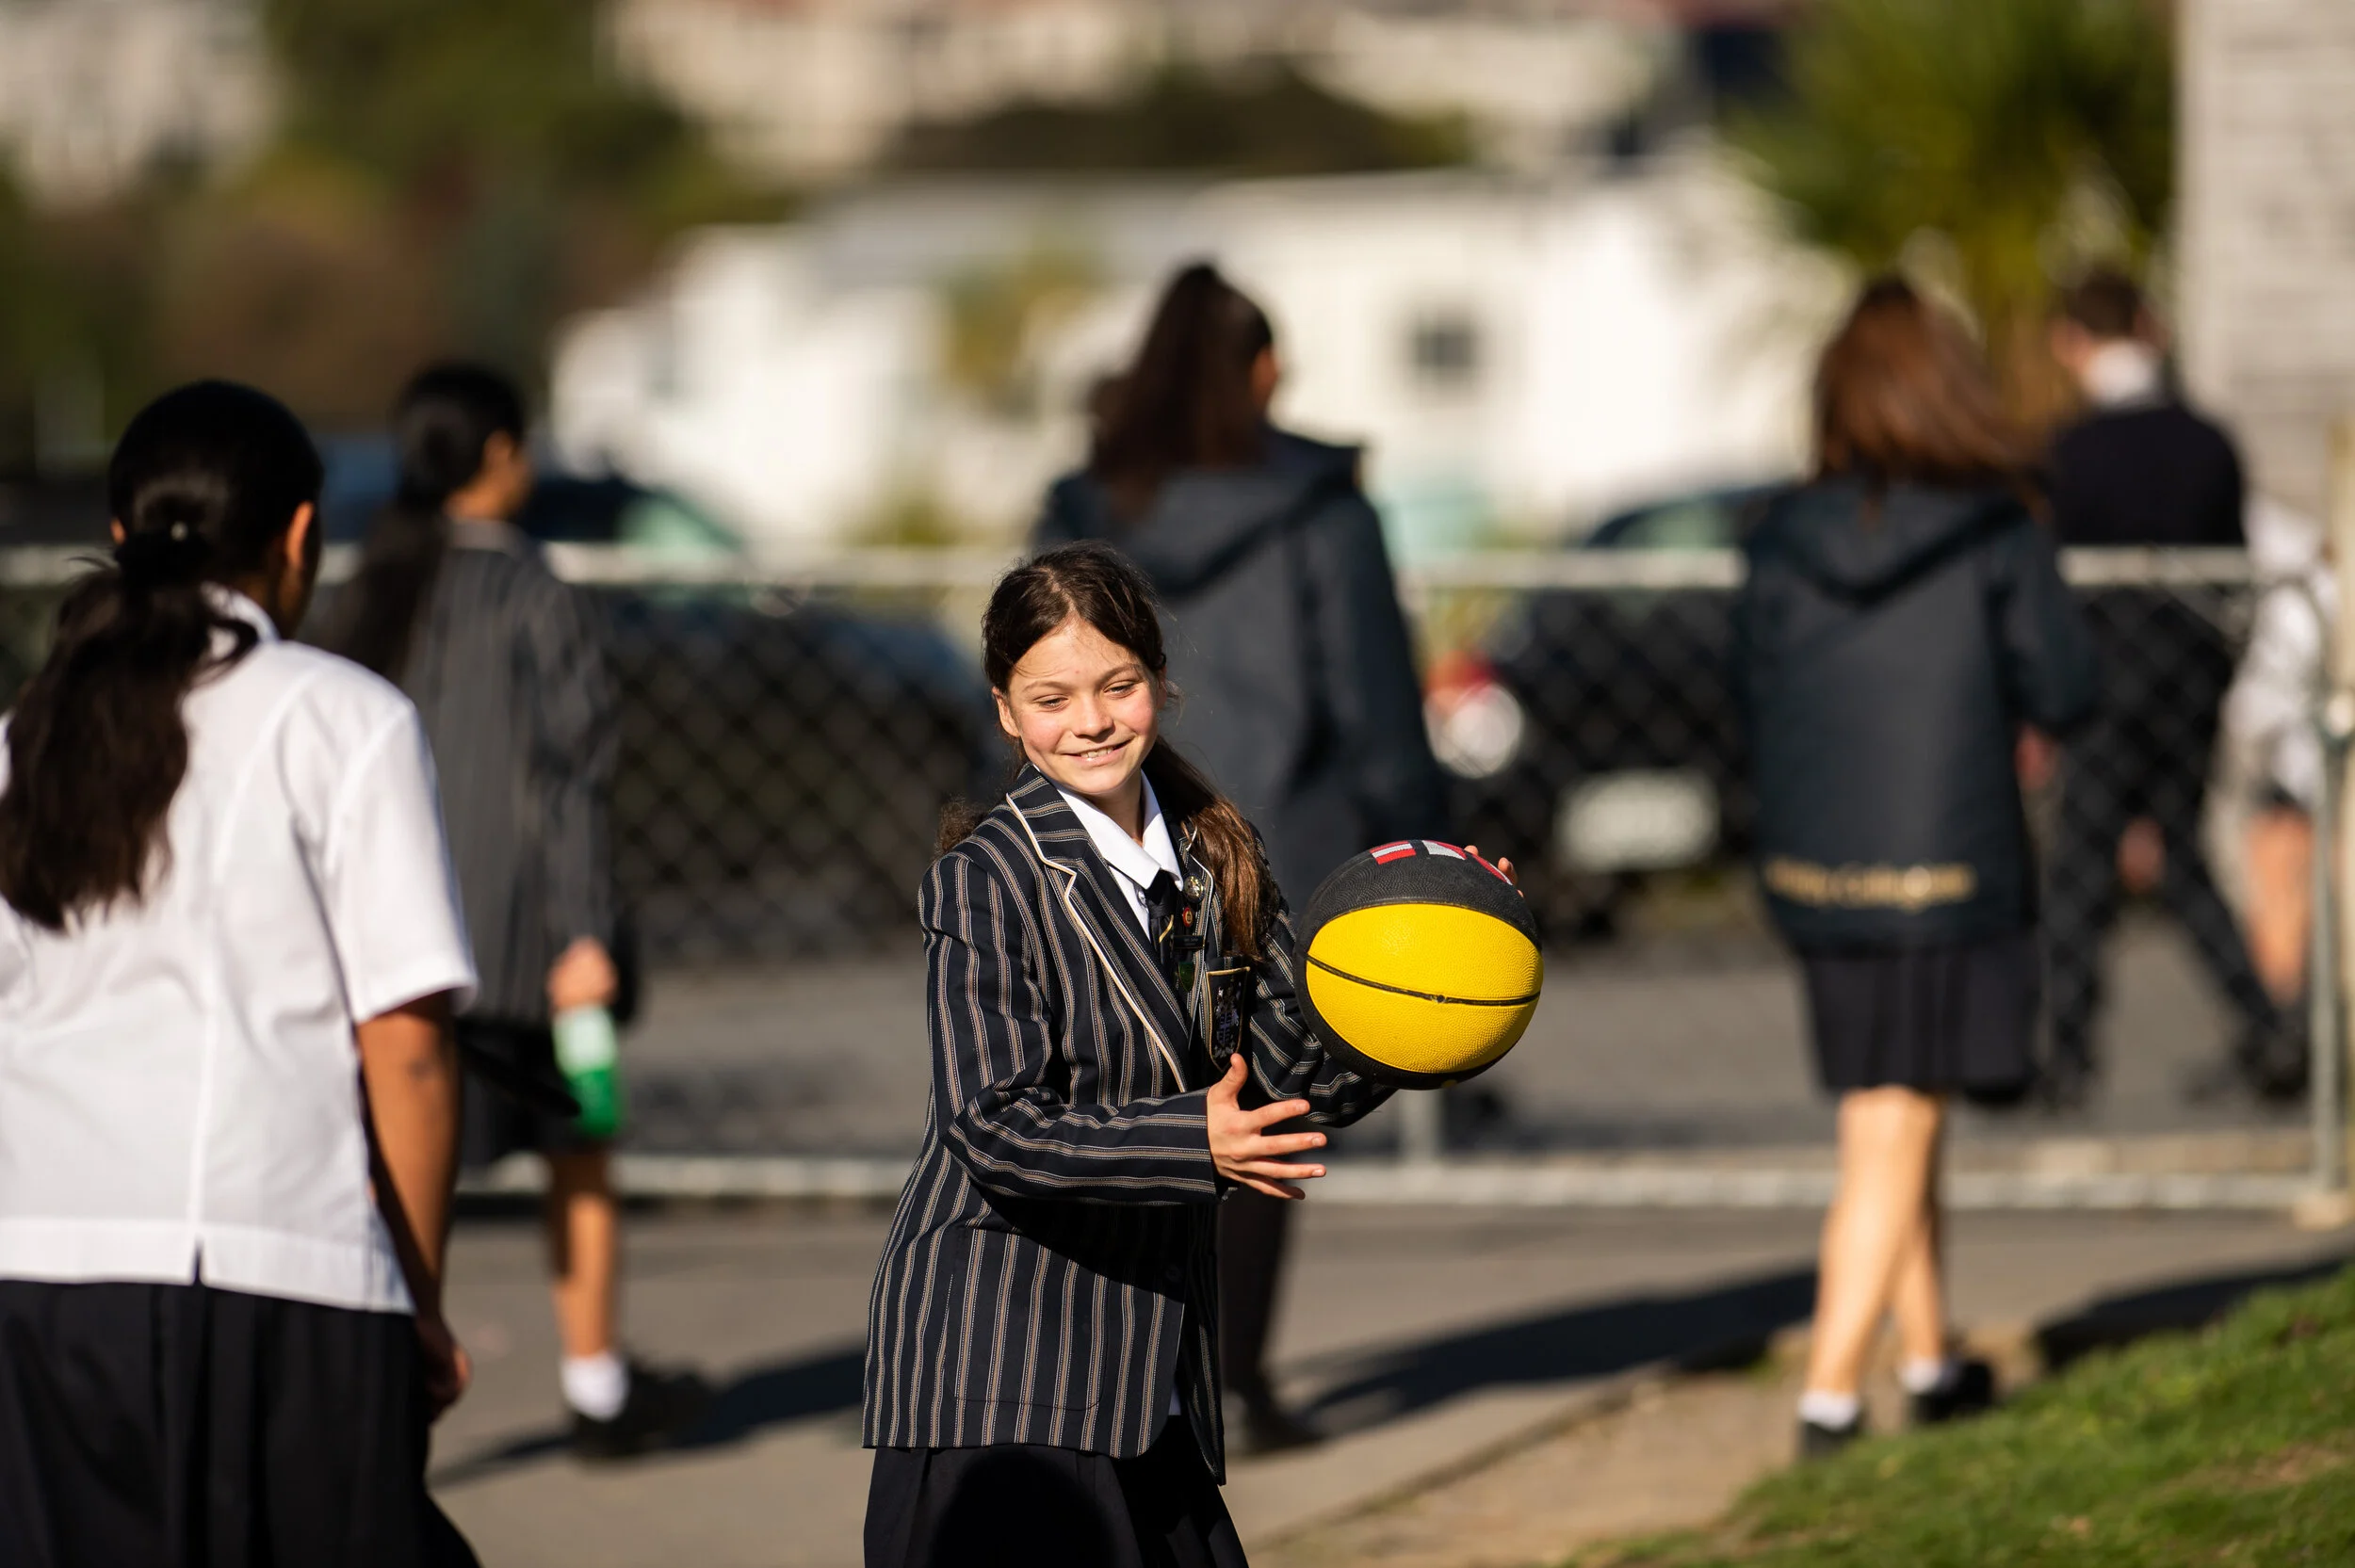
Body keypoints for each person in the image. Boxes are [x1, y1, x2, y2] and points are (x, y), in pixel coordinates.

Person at [0, 381, 479, 1564]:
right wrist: (418, 1300)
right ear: (301, 536)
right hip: (272, 1262)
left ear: (120, 539)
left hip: (35, 1275)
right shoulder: (342, 718)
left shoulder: (21, 737)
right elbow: (407, 1044)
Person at [862, 542, 1412, 1567]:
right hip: (998, 1365)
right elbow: (996, 1125)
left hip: (1146, 1368)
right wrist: (1191, 1138)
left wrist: (1432, 993)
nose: (1091, 721)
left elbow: (1291, 1067)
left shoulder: (1217, 850)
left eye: (1118, 685)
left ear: (1159, 681)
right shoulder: (988, 878)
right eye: (1052, 697)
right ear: (1004, 712)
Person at [1036, 262, 1449, 1452]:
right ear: (1263, 374)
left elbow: (1026, 678)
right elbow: (1373, 702)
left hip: (1104, 847)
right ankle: (1229, 1384)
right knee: (1258, 1121)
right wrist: (1412, 853)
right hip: (1281, 861)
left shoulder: (1081, 500)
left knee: (1119, 1120)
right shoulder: (1323, 511)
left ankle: (1123, 1382)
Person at [1736, 279, 2100, 1456]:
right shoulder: (1998, 525)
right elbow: (2067, 687)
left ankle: (1934, 1362)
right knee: (1894, 1123)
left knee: (1892, 1113)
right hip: (1951, 856)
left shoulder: (1778, 535)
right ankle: (1832, 1400)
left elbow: (1741, 694)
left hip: (1818, 866)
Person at [328, 363, 704, 1460]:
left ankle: (377, 1396)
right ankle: (597, 1391)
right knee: (578, 1156)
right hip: (530, 947)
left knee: (400, 1175)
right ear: (498, 455)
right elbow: (568, 781)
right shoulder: (539, 593)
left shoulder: (372, 591)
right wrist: (586, 934)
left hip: (390, 947)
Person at [2042, 268, 2300, 1104]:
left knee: (2083, 865)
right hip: (2188, 681)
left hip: (2098, 688)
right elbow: (2236, 575)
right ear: (2149, 329)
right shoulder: (2208, 442)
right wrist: (2215, 675)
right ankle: (2265, 1026)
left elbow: (2049, 591)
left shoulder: (2069, 453)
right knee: (2184, 861)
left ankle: (2068, 1051)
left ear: (2070, 343)